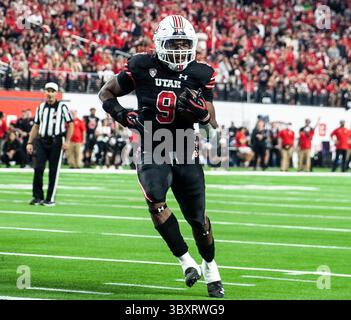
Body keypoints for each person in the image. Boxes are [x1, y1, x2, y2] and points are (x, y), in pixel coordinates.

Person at [98, 15, 224, 298]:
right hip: (152, 144)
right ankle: (185, 262)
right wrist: (125, 116)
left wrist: (203, 113)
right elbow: (106, 92)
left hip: (184, 146)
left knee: (198, 219)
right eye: (173, 43)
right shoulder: (142, 66)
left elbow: (211, 124)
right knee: (155, 199)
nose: (179, 49)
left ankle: (211, 267)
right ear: (159, 43)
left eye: (184, 43)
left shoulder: (202, 73)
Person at [26, 82, 74, 206]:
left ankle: (50, 198)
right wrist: (30, 142)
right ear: (44, 92)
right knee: (38, 168)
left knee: (53, 171)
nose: (49, 93)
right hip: (41, 141)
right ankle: (37, 197)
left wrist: (67, 141)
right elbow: (36, 126)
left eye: (52, 91)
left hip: (56, 141)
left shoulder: (62, 107)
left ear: (56, 93)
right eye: (48, 90)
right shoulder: (40, 107)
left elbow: (71, 125)